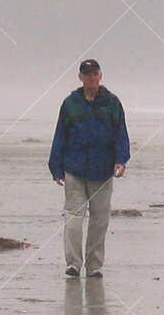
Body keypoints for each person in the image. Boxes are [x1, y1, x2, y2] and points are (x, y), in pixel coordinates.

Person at [48, 58, 130, 277]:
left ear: (100, 76)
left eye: (94, 74)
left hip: (102, 171)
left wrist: (121, 160)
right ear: (80, 77)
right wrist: (55, 167)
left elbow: (121, 134)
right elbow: (60, 135)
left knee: (99, 220)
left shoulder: (112, 102)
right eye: (87, 74)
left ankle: (94, 266)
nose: (91, 78)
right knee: (73, 218)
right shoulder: (70, 103)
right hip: (74, 168)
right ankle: (73, 263)